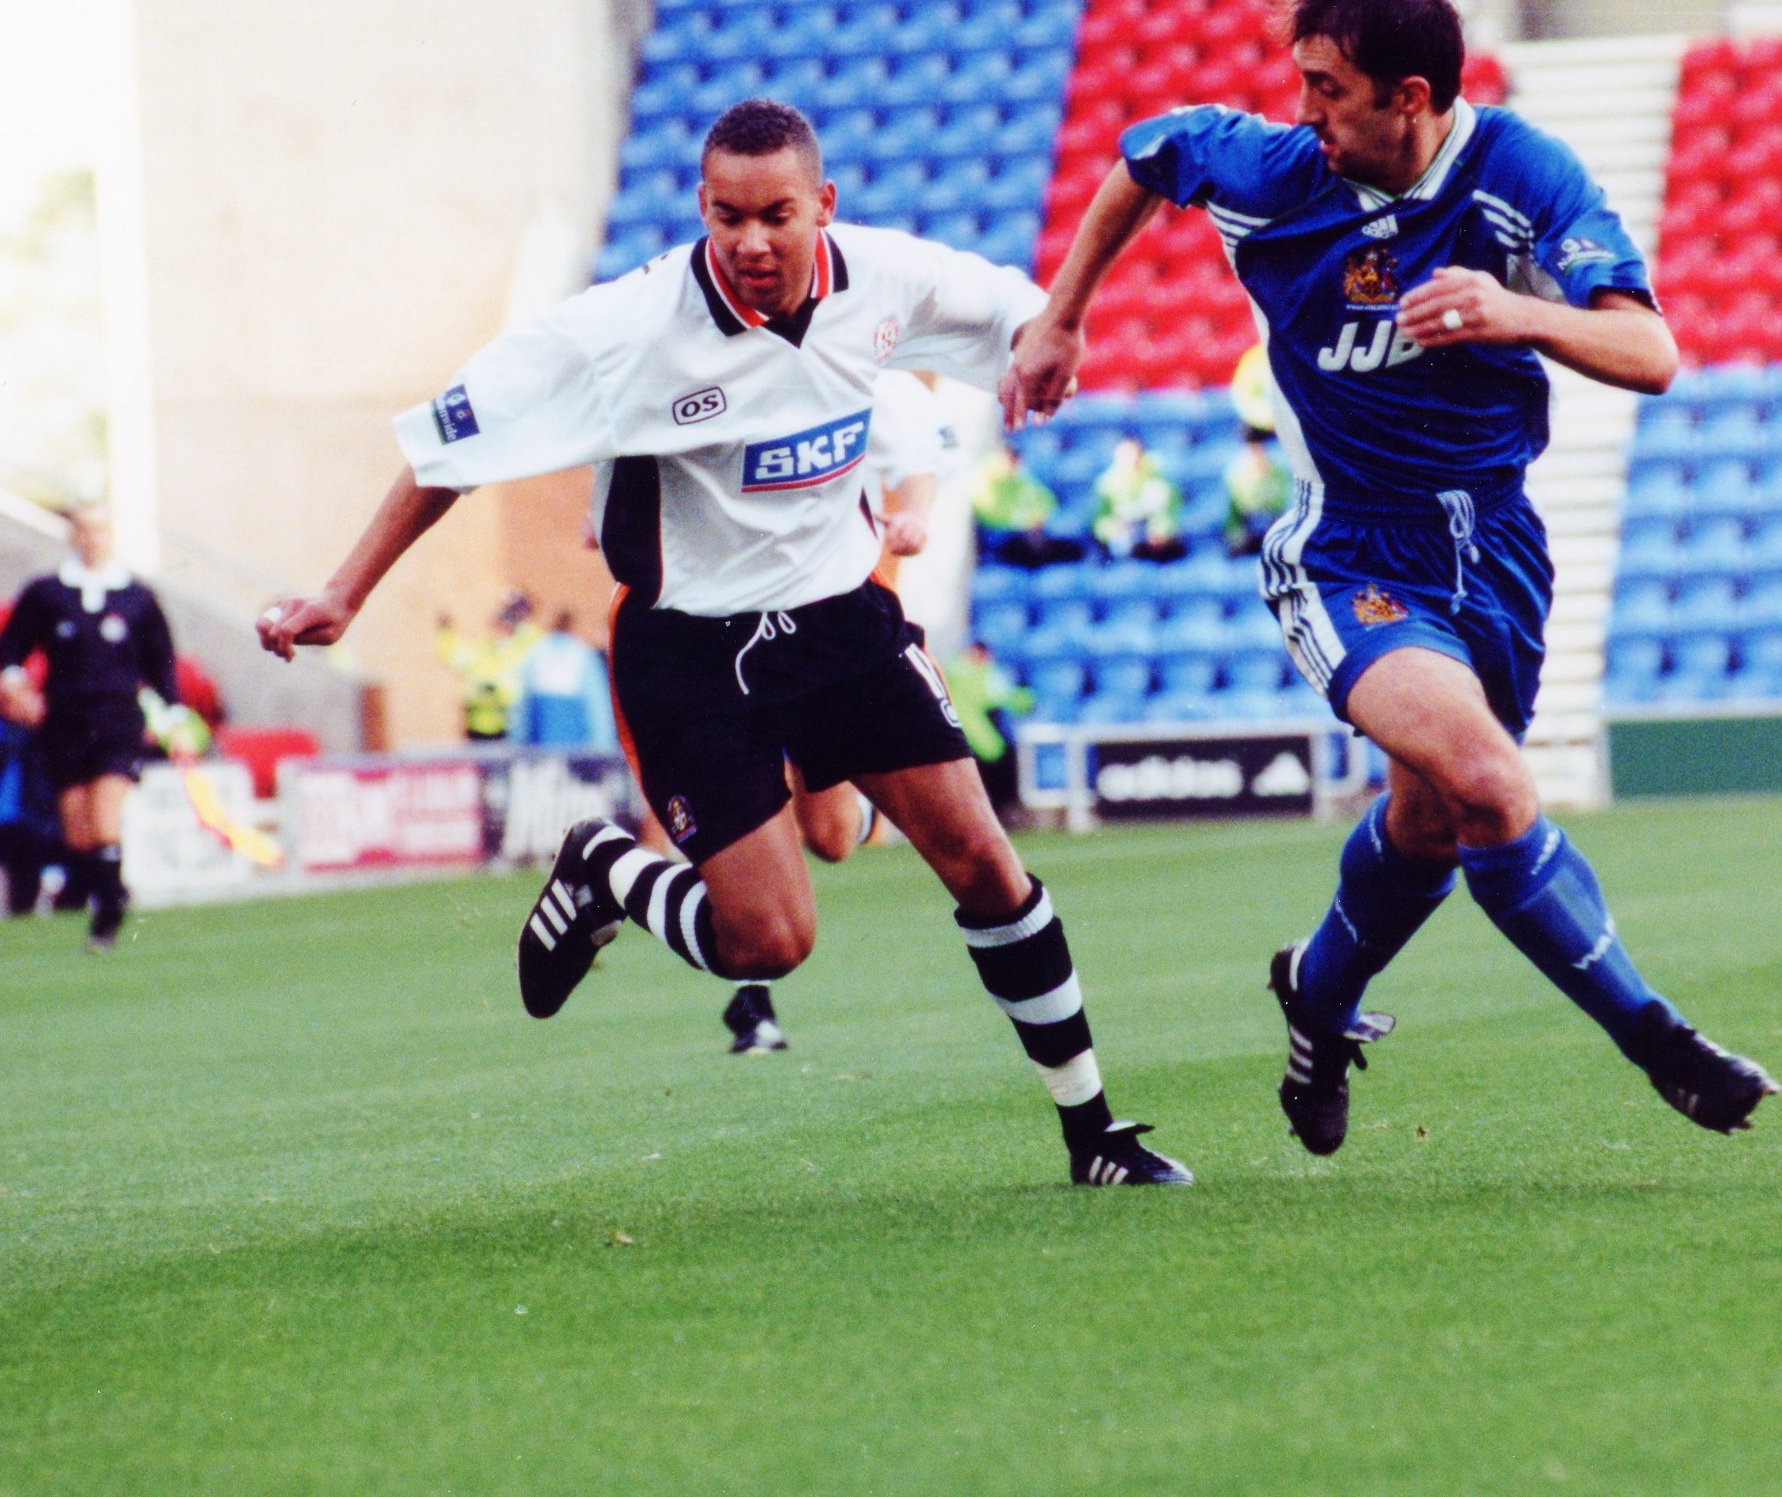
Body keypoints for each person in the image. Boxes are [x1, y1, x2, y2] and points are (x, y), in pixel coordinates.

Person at [258, 97, 1189, 1188]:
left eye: (775, 216)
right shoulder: (625, 328)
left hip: (842, 625)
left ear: (821, 207)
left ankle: (1094, 1137)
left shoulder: (886, 279)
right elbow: (450, 448)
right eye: (725, 216)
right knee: (767, 943)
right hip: (690, 651)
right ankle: (606, 870)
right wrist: (343, 591)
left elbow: (1030, 316)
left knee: (986, 864)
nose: (749, 242)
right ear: (701, 208)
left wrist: (1053, 344)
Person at [1005, 0, 1777, 1154]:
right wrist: (1063, 316)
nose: (1300, 111)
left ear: (1408, 96)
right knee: (1490, 786)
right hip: (1350, 546)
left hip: (1498, 549)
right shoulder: (1271, 173)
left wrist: (1518, 311)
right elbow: (1146, 156)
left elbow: (1650, 352)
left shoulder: (1520, 177)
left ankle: (1315, 996)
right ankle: (1657, 1041)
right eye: (1297, 83)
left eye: (1327, 88)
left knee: (1426, 823)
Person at [722, 368, 951, 1057]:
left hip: (842, 644)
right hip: (738, 637)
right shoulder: (740, 376)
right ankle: (751, 1002)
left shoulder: (881, 385)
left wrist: (914, 516)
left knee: (831, 839)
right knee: (748, 816)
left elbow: (918, 465)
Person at [0, 503, 176, 952]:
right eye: (84, 531)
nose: (93, 539)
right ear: (72, 536)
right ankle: (107, 891)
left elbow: (162, 664)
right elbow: (8, 647)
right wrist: (16, 685)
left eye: (101, 530)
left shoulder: (137, 597)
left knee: (105, 815)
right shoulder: (48, 593)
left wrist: (170, 716)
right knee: (78, 832)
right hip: (65, 722)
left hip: (117, 719)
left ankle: (109, 913)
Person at [0, 690, 69, 915]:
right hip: (2, 823)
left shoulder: (43, 734)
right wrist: (21, 730)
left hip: (38, 821)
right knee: (25, 866)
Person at [942, 640, 1035, 818]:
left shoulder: (951, 670)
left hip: (957, 733)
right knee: (997, 771)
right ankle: (1001, 812)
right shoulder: (982, 674)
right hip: (980, 736)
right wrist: (1028, 700)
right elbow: (1004, 697)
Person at [438, 593, 540, 743]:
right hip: (476, 727)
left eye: (505, 626)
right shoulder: (480, 652)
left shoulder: (519, 654)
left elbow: (534, 643)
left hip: (507, 727)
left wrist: (523, 612)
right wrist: (445, 632)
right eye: (497, 625)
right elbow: (452, 655)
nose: (500, 631)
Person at [512, 612, 619, 751]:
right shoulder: (582, 654)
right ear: (571, 626)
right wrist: (603, 745)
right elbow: (598, 706)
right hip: (575, 739)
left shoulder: (535, 652)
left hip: (541, 738)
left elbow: (521, 704)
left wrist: (518, 739)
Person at [966, 441, 1082, 568]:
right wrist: (1023, 522)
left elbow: (1044, 499)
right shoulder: (986, 478)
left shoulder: (1020, 477)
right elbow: (988, 513)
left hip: (1027, 529)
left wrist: (1038, 518)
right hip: (1004, 533)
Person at [1088, 434, 1188, 562]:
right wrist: (1113, 530)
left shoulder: (1160, 481)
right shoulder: (1106, 484)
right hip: (1123, 539)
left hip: (1155, 541)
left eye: (1134, 456)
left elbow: (1171, 513)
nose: (1130, 461)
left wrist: (1161, 531)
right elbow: (1099, 522)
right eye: (1124, 457)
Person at [1221, 434, 1294, 557]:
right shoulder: (1235, 477)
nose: (1257, 458)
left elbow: (1285, 505)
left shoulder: (1280, 475)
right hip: (1248, 528)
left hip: (1274, 525)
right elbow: (1232, 515)